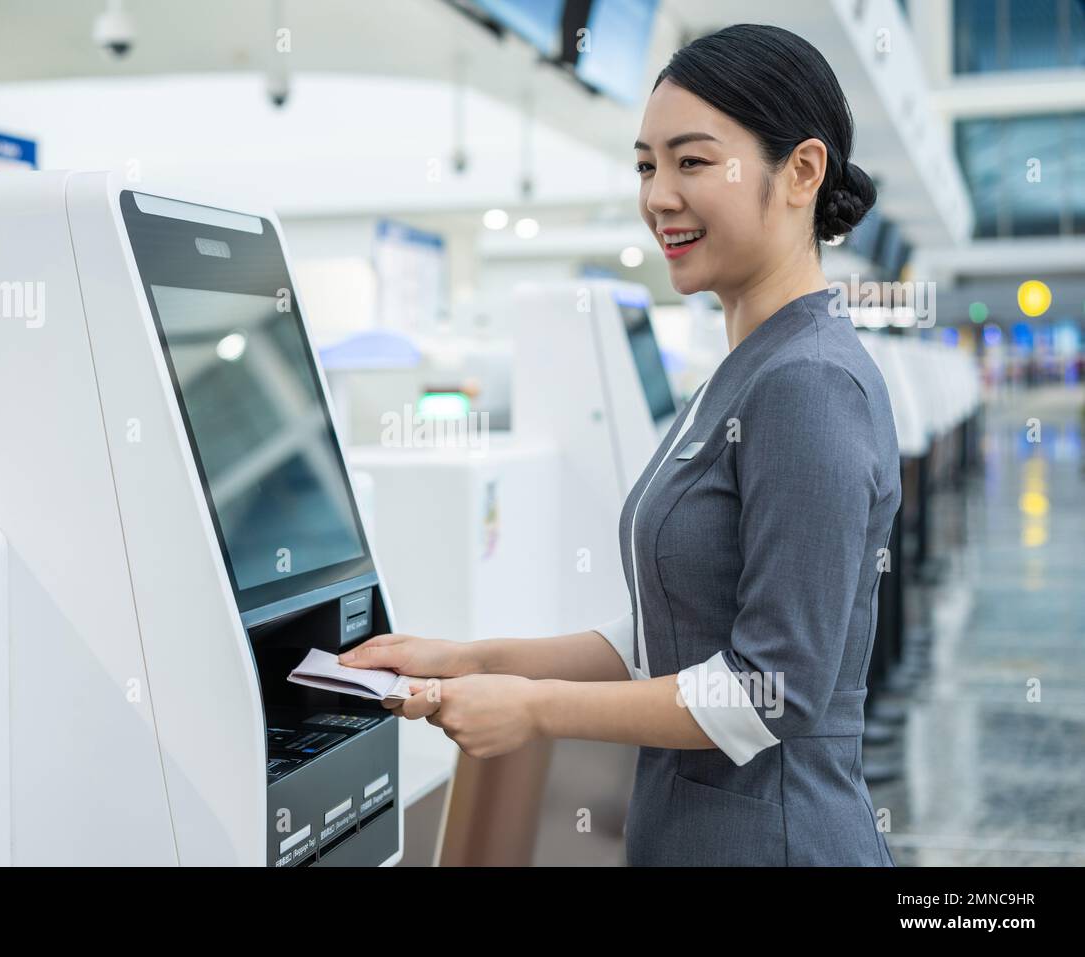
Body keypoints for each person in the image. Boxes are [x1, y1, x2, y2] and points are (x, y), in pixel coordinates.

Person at [342, 23, 900, 866]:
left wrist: (534, 711)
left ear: (802, 171)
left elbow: (767, 687)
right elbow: (667, 631)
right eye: (647, 165)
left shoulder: (808, 383)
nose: (659, 196)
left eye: (693, 161)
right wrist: (471, 656)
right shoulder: (740, 373)